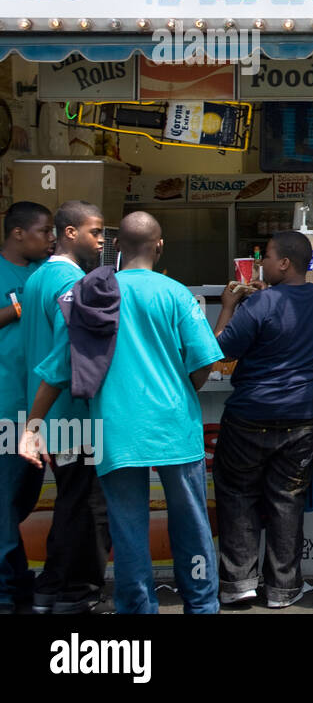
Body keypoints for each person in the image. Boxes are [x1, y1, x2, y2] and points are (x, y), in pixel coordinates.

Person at [21, 211, 225, 614]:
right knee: (192, 524)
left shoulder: (91, 294)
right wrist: (184, 388)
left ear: (118, 247)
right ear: (159, 245)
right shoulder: (176, 293)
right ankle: (201, 605)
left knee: (128, 528)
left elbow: (57, 369)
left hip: (116, 431)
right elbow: (204, 362)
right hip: (174, 427)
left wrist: (32, 426)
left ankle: (138, 607)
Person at [211, 230, 313, 608]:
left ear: (284, 262)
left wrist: (230, 304)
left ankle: (238, 584)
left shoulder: (259, 304)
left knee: (237, 496)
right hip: (303, 415)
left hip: (251, 413)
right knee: (288, 500)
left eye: (266, 256)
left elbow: (219, 350)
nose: (262, 263)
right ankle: (283, 588)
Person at [19, 200, 108, 615]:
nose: (102, 240)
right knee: (84, 504)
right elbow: (64, 359)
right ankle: (72, 590)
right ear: (70, 232)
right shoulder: (70, 284)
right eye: (95, 232)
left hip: (54, 417)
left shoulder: (38, 277)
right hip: (72, 416)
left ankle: (52, 586)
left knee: (72, 501)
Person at [0, 202, 53, 614]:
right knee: (4, 503)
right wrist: (20, 308)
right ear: (18, 233)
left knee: (22, 501)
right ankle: (8, 590)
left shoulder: (46, 273)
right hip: (6, 408)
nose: (51, 239)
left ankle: (18, 580)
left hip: (47, 412)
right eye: (44, 231)